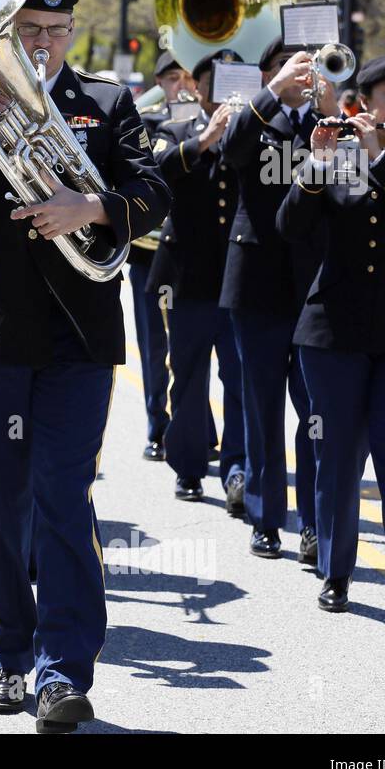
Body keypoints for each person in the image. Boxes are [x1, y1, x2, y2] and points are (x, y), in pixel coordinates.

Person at [0, 0, 169, 731]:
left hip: (78, 336)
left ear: (72, 33)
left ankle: (62, 669)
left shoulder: (109, 103)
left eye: (55, 28)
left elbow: (155, 189)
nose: (42, 41)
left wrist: (95, 207)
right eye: (30, 29)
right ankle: (6, 655)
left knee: (62, 496)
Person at [278, 53, 385, 624]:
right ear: (364, 102)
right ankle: (336, 569)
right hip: (332, 331)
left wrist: (379, 155)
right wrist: (316, 167)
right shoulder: (334, 157)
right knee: (339, 455)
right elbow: (289, 228)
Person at [219, 37, 326, 561]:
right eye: (286, 66)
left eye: (307, 65)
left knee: (314, 413)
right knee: (263, 408)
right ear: (266, 74)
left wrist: (330, 111)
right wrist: (275, 94)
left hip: (314, 289)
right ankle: (266, 517)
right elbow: (232, 149)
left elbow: (350, 187)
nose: (300, 72)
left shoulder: (327, 122)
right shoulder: (252, 116)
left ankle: (313, 522)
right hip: (257, 282)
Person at [148, 49, 246, 507]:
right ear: (197, 86)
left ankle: (238, 469)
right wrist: (206, 139)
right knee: (187, 377)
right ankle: (187, 466)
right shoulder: (176, 129)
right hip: (187, 277)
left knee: (240, 377)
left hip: (240, 278)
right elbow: (158, 173)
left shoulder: (253, 134)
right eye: (214, 82)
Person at [130, 49, 192, 462]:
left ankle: (194, 428)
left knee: (193, 347)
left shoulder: (217, 122)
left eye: (189, 78)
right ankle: (159, 425)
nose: (182, 86)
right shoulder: (145, 123)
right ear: (160, 83)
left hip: (195, 254)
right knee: (155, 345)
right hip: (150, 254)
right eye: (172, 78)